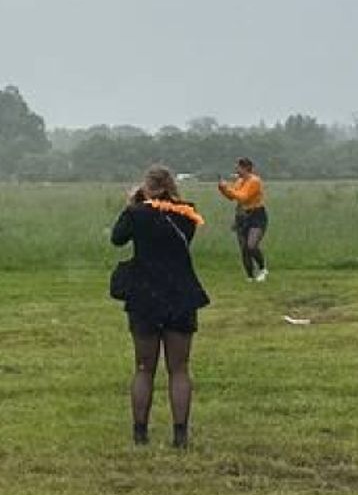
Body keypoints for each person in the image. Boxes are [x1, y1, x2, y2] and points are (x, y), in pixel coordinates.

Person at [111, 166, 209, 448]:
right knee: (179, 369)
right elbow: (184, 241)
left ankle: (140, 433)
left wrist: (132, 204)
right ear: (170, 186)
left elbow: (117, 238)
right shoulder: (187, 213)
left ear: (146, 186)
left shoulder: (136, 213)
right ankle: (180, 434)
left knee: (144, 368)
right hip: (180, 293)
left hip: (144, 295)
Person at [217, 157, 268, 281]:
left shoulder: (254, 181)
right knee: (244, 247)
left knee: (252, 245)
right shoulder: (239, 181)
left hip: (256, 214)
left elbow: (243, 197)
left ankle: (262, 269)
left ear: (245, 168)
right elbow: (232, 197)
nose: (236, 170)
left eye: (238, 167)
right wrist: (223, 189)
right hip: (242, 215)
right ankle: (250, 276)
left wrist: (228, 188)